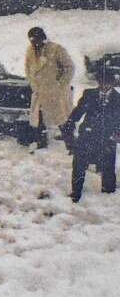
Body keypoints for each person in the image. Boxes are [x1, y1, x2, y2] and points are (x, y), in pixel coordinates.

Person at [62, 66, 120, 203]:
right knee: (79, 165)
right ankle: (76, 192)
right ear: (98, 82)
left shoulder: (118, 100)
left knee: (107, 168)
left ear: (113, 83)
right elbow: (77, 113)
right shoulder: (89, 94)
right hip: (87, 136)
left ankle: (108, 195)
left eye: (108, 83)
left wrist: (117, 133)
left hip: (107, 138)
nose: (104, 86)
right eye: (102, 82)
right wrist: (69, 126)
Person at [23, 27, 75, 150]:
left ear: (43, 38)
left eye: (36, 39)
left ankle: (71, 146)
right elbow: (28, 68)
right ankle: (41, 144)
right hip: (40, 92)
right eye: (32, 40)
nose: (34, 43)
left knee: (62, 120)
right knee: (39, 120)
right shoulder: (30, 51)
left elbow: (70, 67)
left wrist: (60, 85)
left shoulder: (56, 49)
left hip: (56, 92)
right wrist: (33, 83)